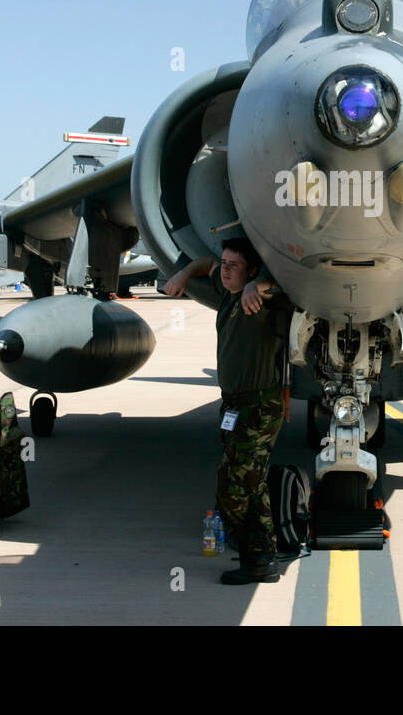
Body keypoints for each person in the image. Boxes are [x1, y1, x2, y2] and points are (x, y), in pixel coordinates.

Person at [164, 237, 290, 585]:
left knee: (233, 490)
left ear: (250, 269)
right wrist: (184, 275)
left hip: (258, 407)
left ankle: (255, 555)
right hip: (235, 406)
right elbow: (204, 263)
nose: (224, 271)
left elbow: (293, 280)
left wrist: (258, 284)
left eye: (234, 266)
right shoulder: (229, 295)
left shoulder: (260, 300)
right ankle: (263, 560)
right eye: (224, 264)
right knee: (253, 486)